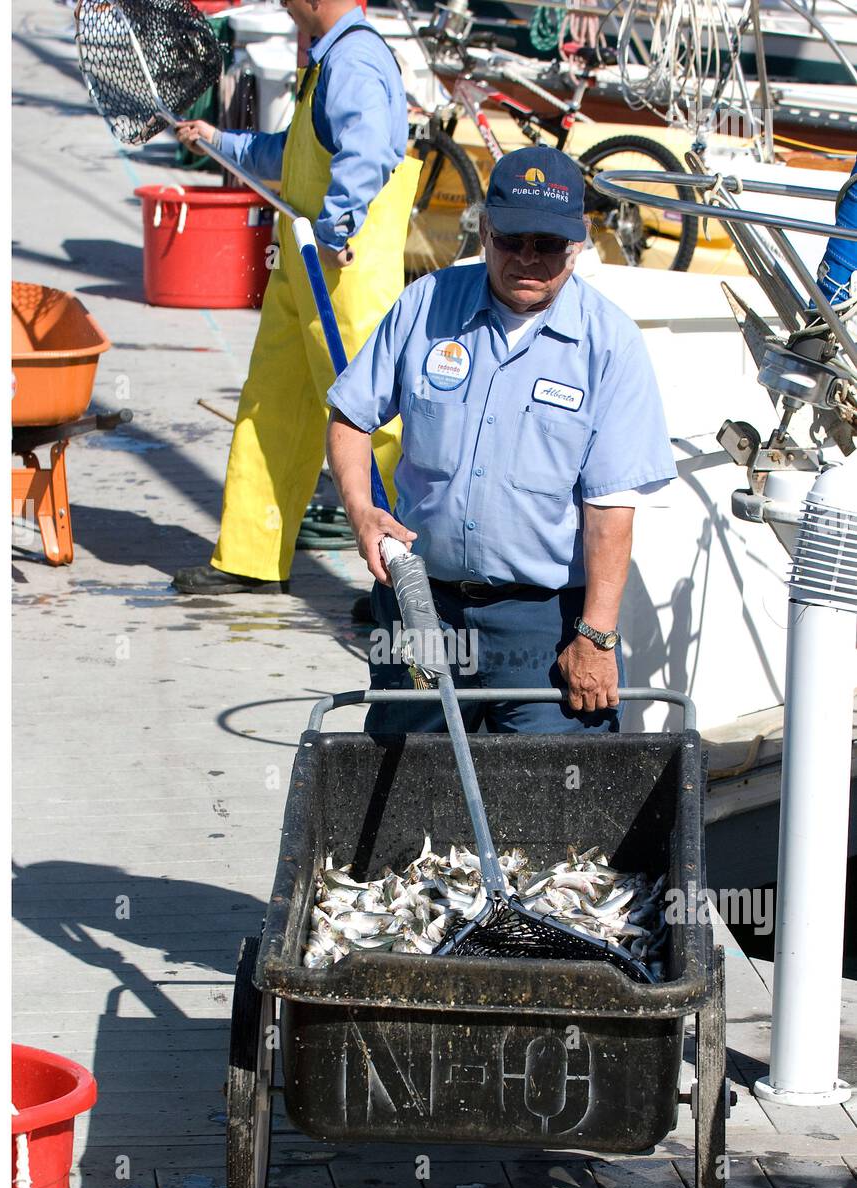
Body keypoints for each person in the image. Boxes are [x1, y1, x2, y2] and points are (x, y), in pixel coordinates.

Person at [325, 145, 676, 736]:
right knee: (403, 795)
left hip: (545, 624)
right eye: (513, 240)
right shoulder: (426, 304)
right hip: (420, 609)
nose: (529, 260)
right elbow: (351, 416)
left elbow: (610, 511)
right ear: (485, 229)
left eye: (548, 245)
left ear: (581, 239)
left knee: (553, 810)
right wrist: (361, 511)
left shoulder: (610, 344)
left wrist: (595, 637)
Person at [172, 0, 421, 595]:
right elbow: (292, 154)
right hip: (303, 274)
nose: (282, 2)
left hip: (342, 276)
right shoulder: (326, 58)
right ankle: (251, 557)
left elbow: (367, 157)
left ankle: (400, 586)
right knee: (272, 409)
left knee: (372, 427)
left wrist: (335, 231)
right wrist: (220, 142)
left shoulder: (354, 60)